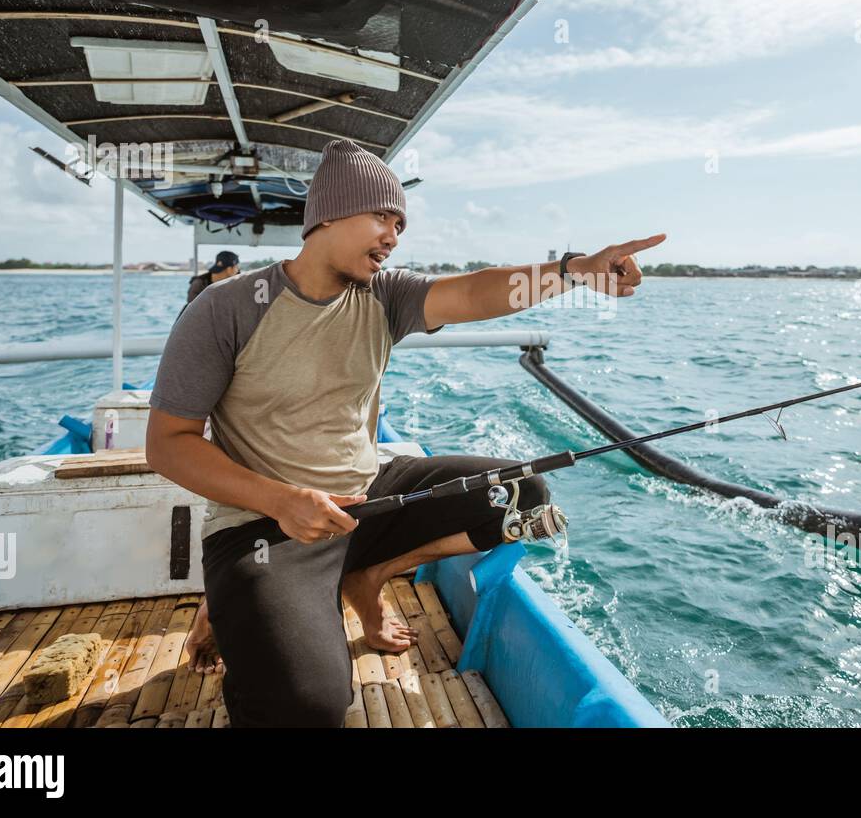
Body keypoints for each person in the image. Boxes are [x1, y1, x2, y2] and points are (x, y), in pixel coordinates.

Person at [145, 138, 664, 726]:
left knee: (522, 492)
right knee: (306, 706)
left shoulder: (385, 295)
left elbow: (475, 290)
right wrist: (283, 500)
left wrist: (574, 272)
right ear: (328, 216)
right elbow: (167, 444)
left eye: (400, 222)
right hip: (265, 526)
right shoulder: (226, 307)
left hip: (368, 500)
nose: (394, 234)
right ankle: (233, 604)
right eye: (381, 216)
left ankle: (367, 574)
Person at [177, 250, 240, 320]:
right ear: (229, 269)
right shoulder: (199, 283)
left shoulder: (233, 283)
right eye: (236, 267)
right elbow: (195, 309)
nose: (238, 270)